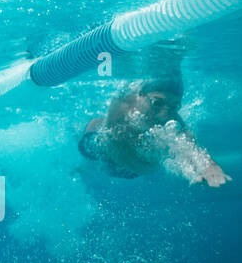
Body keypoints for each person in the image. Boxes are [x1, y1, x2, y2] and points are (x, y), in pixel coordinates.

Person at [77, 44, 229, 187]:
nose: (165, 113)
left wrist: (208, 167)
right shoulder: (122, 103)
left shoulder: (171, 114)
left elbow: (189, 144)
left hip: (131, 169)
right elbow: (116, 146)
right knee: (88, 146)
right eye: (157, 103)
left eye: (174, 106)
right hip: (102, 150)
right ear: (140, 95)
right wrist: (155, 160)